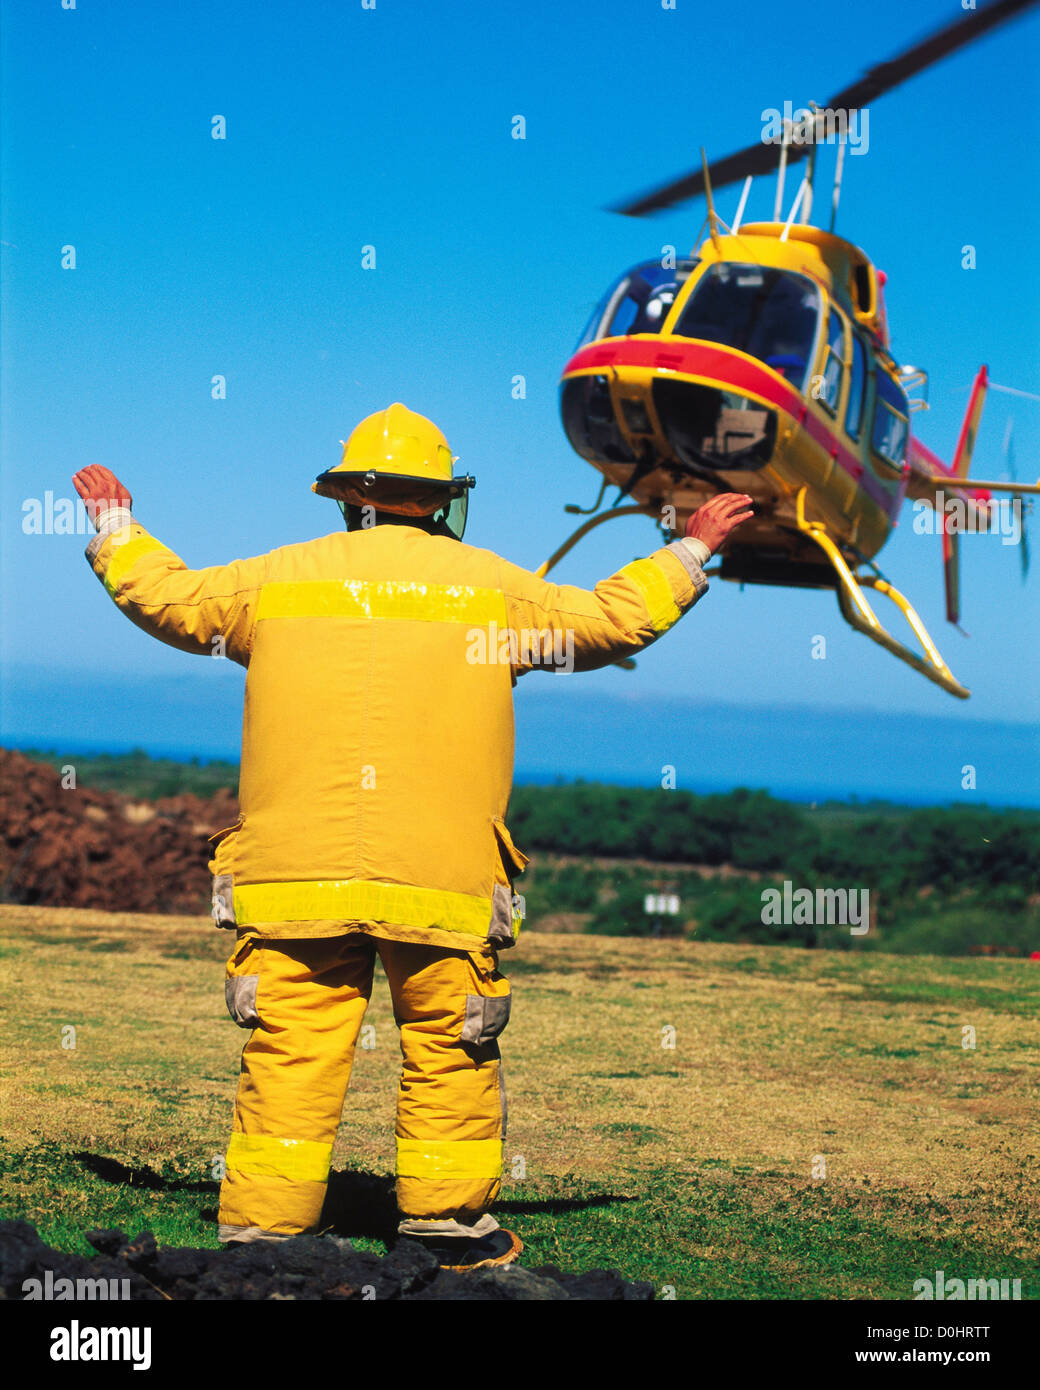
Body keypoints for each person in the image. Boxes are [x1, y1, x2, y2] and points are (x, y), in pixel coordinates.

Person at [72, 404, 752, 1271]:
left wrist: (118, 528)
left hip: (294, 878)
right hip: (439, 877)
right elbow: (610, 622)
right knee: (450, 1048)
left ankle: (263, 1239)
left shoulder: (276, 581)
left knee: (290, 1052)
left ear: (349, 499)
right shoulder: (492, 591)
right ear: (442, 503)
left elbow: (171, 600)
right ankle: (446, 1229)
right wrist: (688, 550)